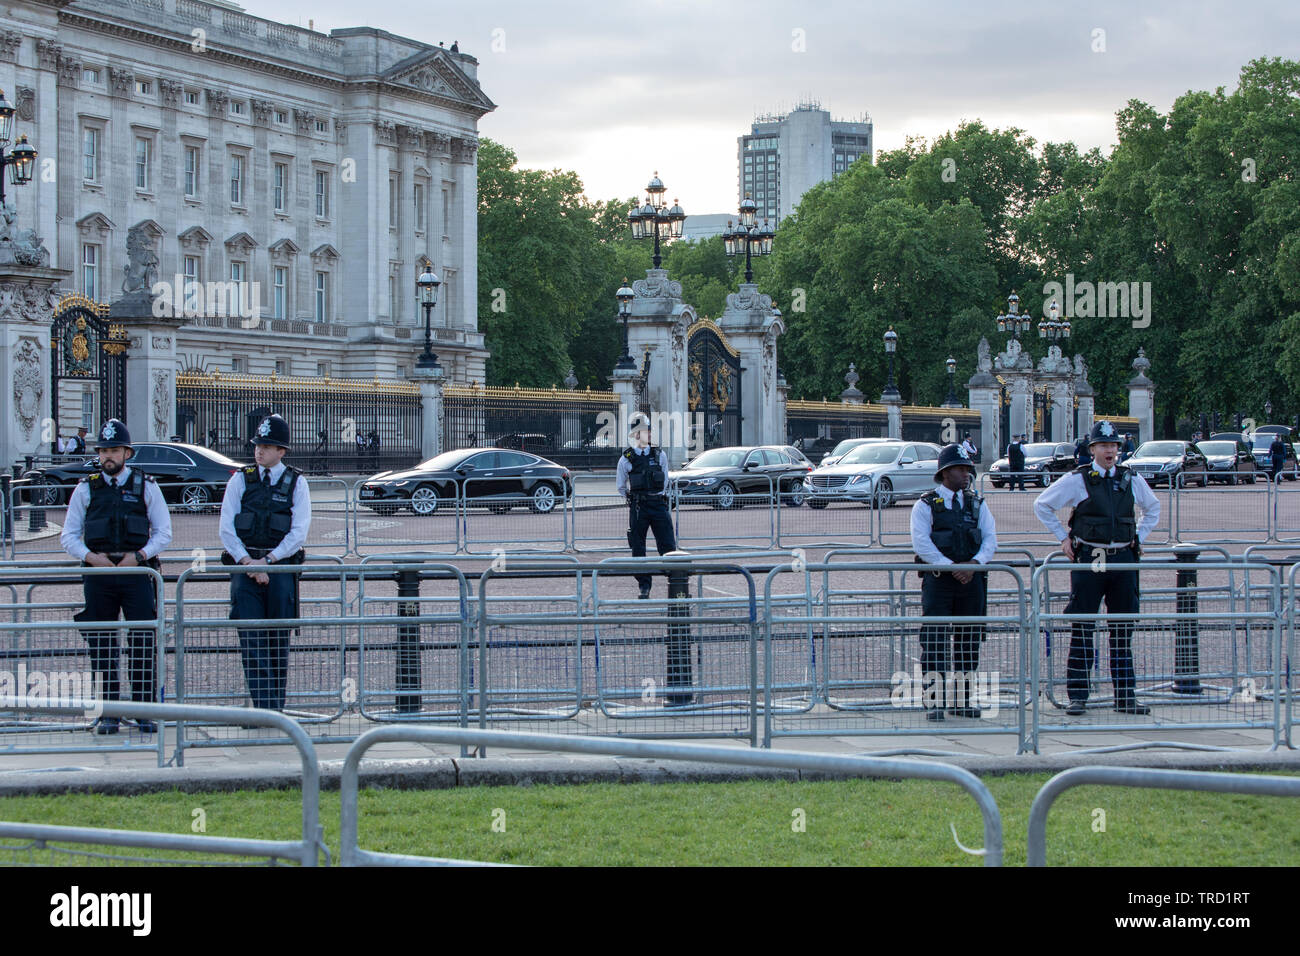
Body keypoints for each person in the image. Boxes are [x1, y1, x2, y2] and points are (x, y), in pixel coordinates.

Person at [1033, 419, 1161, 716]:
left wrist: (1139, 536)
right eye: (1104, 446)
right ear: (1093, 449)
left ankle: (1125, 697)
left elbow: (1152, 508)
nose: (1110, 451)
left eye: (1114, 446)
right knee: (1083, 628)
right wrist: (1063, 539)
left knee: (1122, 630)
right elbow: (1043, 504)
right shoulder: (1078, 480)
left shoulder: (1130, 479)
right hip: (1090, 558)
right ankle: (1078, 695)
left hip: (1123, 559)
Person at [60, 420, 172, 734]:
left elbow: (164, 533)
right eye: (104, 451)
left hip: (136, 573)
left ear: (127, 453)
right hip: (98, 574)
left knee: (142, 641)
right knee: (103, 644)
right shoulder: (86, 488)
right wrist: (91, 557)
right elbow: (68, 536)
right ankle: (109, 712)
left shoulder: (146, 485)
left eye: (114, 450)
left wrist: (138, 556)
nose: (108, 456)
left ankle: (143, 710)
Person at [219, 414, 312, 711]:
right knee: (251, 641)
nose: (259, 451)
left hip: (280, 568)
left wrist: (268, 561)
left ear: (281, 451)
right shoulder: (239, 479)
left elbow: (299, 532)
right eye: (258, 445)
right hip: (245, 569)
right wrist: (249, 562)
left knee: (277, 642)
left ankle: (276, 710)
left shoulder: (297, 482)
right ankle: (263, 709)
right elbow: (226, 528)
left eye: (267, 446)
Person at [910, 442, 998, 719]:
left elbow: (990, 539)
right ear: (945, 473)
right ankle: (933, 702)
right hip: (939, 582)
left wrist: (973, 564)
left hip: (971, 581)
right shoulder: (925, 505)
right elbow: (922, 544)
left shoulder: (977, 503)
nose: (966, 474)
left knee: (968, 641)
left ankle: (962, 701)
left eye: (967, 469)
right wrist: (951, 567)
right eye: (960, 469)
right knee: (935, 641)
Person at [615, 414, 676, 600]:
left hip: (658, 504)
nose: (647, 434)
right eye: (643, 431)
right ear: (635, 435)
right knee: (638, 547)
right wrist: (635, 498)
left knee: (668, 545)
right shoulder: (626, 458)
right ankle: (644, 585)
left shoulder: (660, 455)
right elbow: (621, 486)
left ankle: (674, 580)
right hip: (639, 506)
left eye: (648, 431)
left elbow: (665, 480)